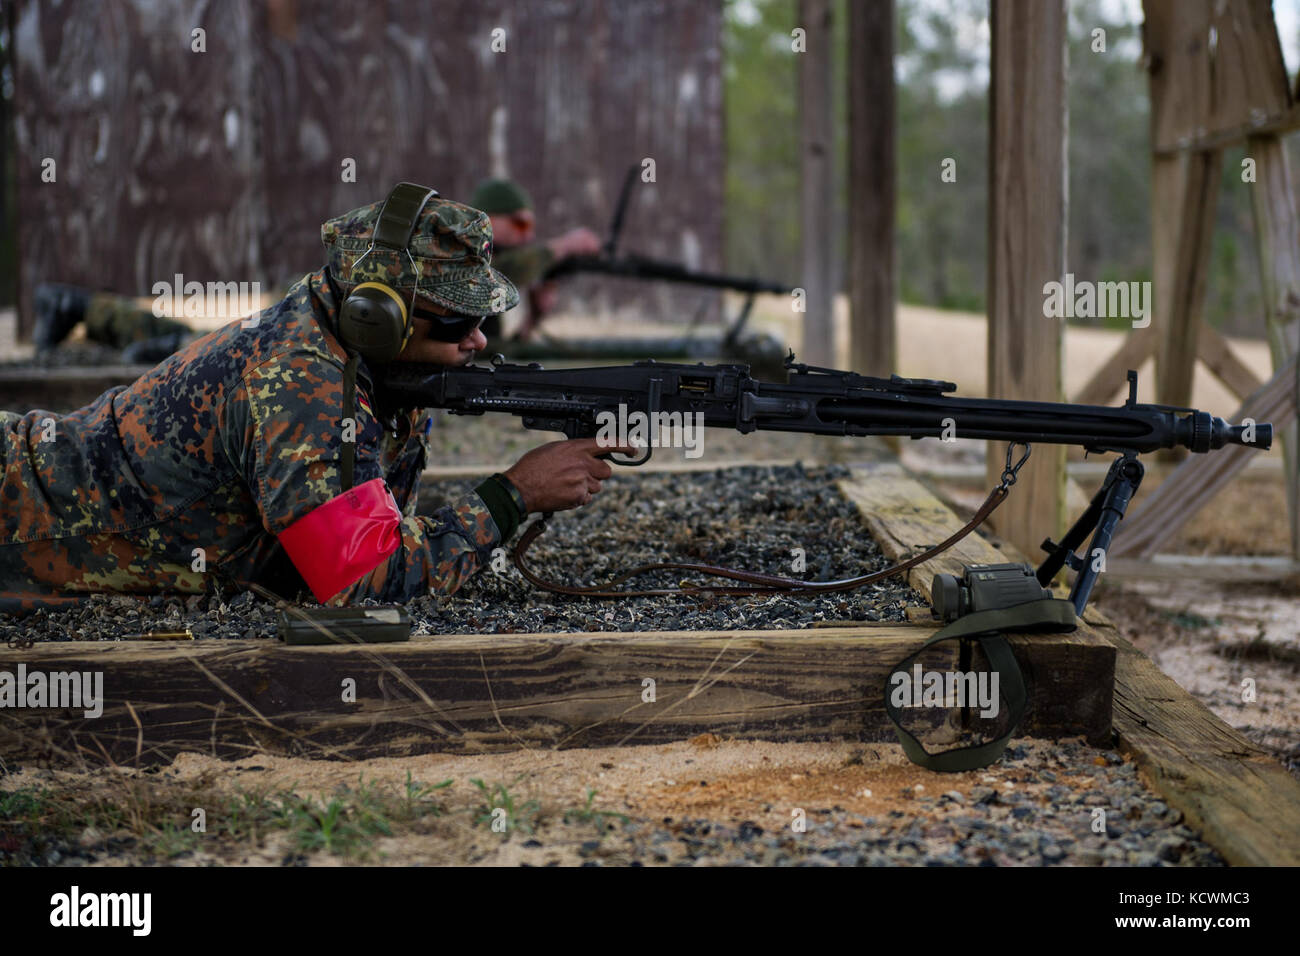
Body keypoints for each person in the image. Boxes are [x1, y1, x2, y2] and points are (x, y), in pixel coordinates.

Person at [0, 185, 631, 614]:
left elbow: (362, 532)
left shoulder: (352, 349)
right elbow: (356, 581)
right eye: (452, 322)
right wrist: (511, 495)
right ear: (378, 316)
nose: (478, 338)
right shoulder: (300, 381)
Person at [466, 178, 601, 339]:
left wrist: (532, 319)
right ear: (489, 219)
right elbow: (503, 269)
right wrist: (564, 246)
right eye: (521, 223)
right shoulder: (463, 262)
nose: (529, 235)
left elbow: (492, 352)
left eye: (530, 226)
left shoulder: (490, 293)